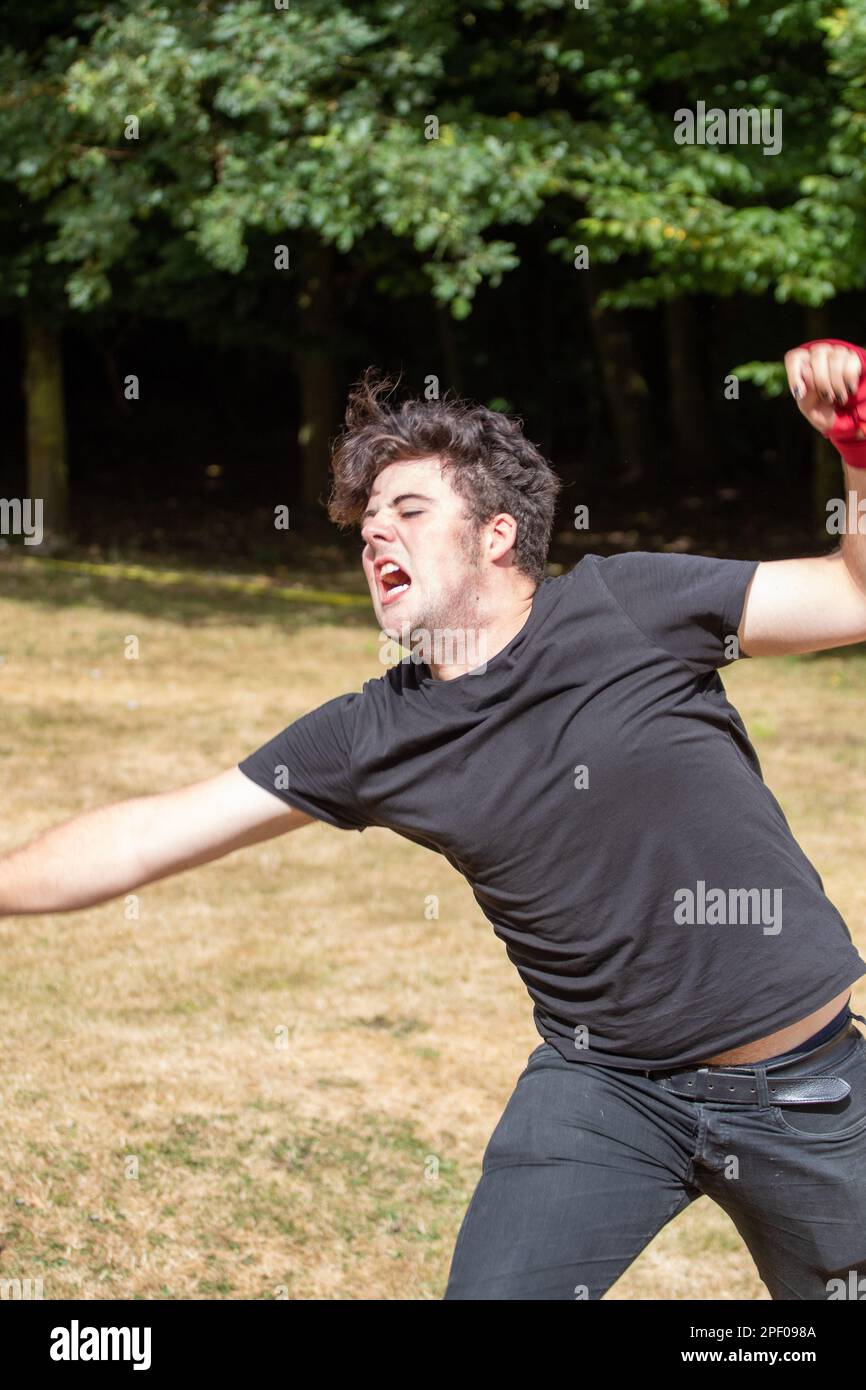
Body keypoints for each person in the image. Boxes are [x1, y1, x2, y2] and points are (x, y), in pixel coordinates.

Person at [3, 339, 866, 1300]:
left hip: (807, 1087)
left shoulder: (628, 605)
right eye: (367, 524)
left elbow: (853, 593)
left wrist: (859, 457)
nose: (376, 536)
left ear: (497, 534)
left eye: (409, 511)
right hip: (605, 1092)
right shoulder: (379, 729)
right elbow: (151, 832)